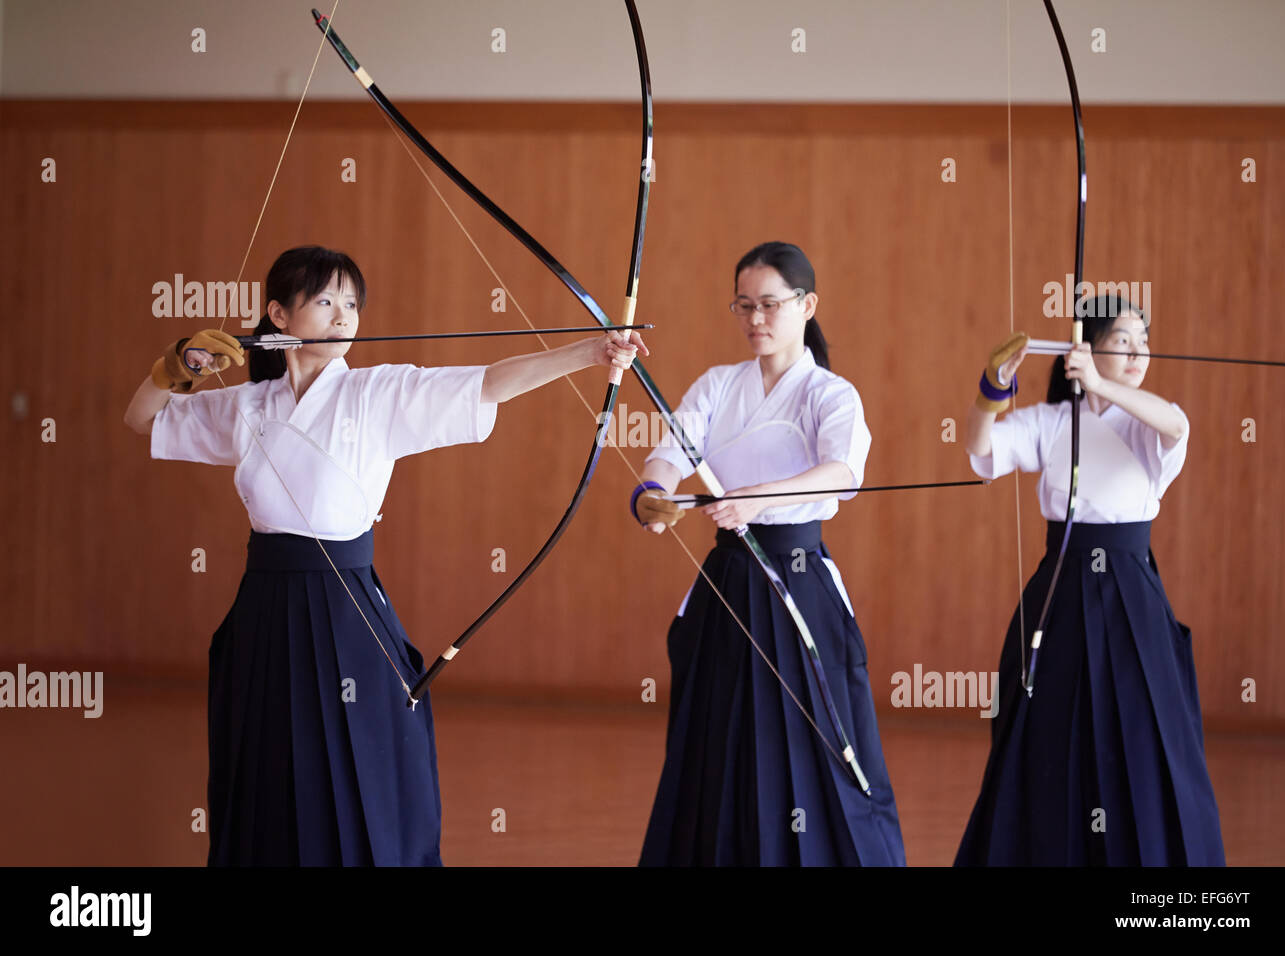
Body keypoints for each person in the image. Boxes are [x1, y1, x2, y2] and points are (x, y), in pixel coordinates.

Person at [123, 244, 646, 866]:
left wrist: (589, 352)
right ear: (279, 317)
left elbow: (486, 384)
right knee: (267, 762)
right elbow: (142, 419)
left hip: (347, 608)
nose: (344, 315)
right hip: (264, 609)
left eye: (352, 303)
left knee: (361, 763)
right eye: (325, 301)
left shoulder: (377, 392)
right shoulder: (249, 405)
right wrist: (174, 365)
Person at [630, 241, 905, 866]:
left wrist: (758, 498)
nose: (756, 318)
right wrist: (654, 494)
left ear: (807, 305)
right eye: (744, 305)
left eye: (771, 305)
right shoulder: (718, 385)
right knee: (717, 738)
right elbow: (672, 449)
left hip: (798, 584)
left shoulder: (830, 394)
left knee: (816, 742)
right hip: (728, 580)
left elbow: (842, 470)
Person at [955, 295, 1224, 865]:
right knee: (1047, 731)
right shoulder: (1053, 423)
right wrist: (991, 387)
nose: (1137, 353)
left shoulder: (1149, 422)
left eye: (1142, 342)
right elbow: (979, 450)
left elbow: (1177, 423)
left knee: (1146, 734)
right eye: (1122, 341)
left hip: (1131, 595)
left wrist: (1101, 385)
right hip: (1062, 593)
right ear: (1088, 345)